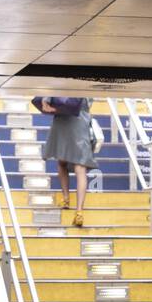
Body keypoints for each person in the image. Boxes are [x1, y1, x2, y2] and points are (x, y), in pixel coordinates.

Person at [39, 96, 96, 228]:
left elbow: (54, 90)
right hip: (81, 120)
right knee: (80, 168)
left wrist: (45, 99)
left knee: (62, 161)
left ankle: (66, 200)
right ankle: (79, 212)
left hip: (63, 118)